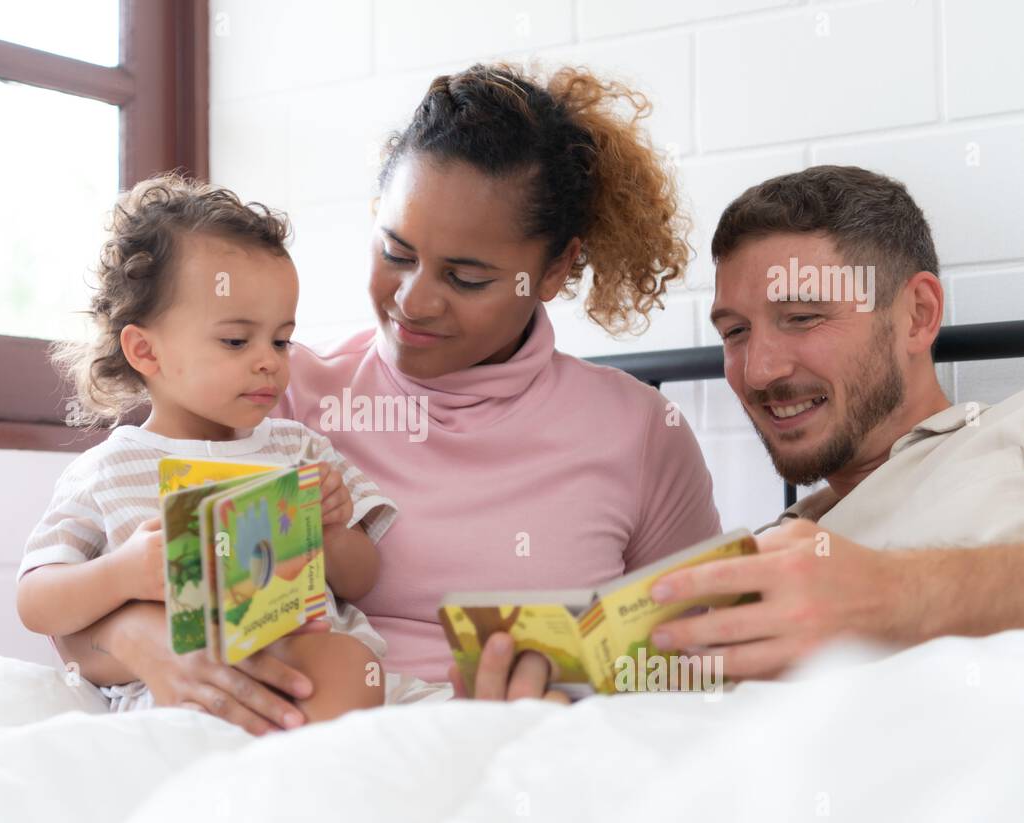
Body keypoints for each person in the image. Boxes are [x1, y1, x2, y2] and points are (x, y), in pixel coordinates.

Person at [54, 62, 723, 727]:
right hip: (297, 748)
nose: (413, 301)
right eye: (397, 253)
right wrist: (146, 643)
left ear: (554, 270)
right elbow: (76, 614)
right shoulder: (275, 398)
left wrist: (575, 691)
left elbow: (700, 658)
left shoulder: (639, 431)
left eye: (466, 277)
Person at [17, 174, 392, 727]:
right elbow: (37, 602)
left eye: (281, 340)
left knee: (351, 663)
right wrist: (122, 573)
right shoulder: (108, 470)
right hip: (176, 682)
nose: (269, 361)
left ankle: (277, 776)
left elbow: (363, 579)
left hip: (300, 666)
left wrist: (331, 530)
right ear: (146, 350)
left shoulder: (300, 449)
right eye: (237, 341)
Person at [650, 165, 1024, 676]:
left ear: (917, 314)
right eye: (735, 331)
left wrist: (894, 593)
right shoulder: (770, 549)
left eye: (803, 317)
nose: (759, 371)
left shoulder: (1009, 434)